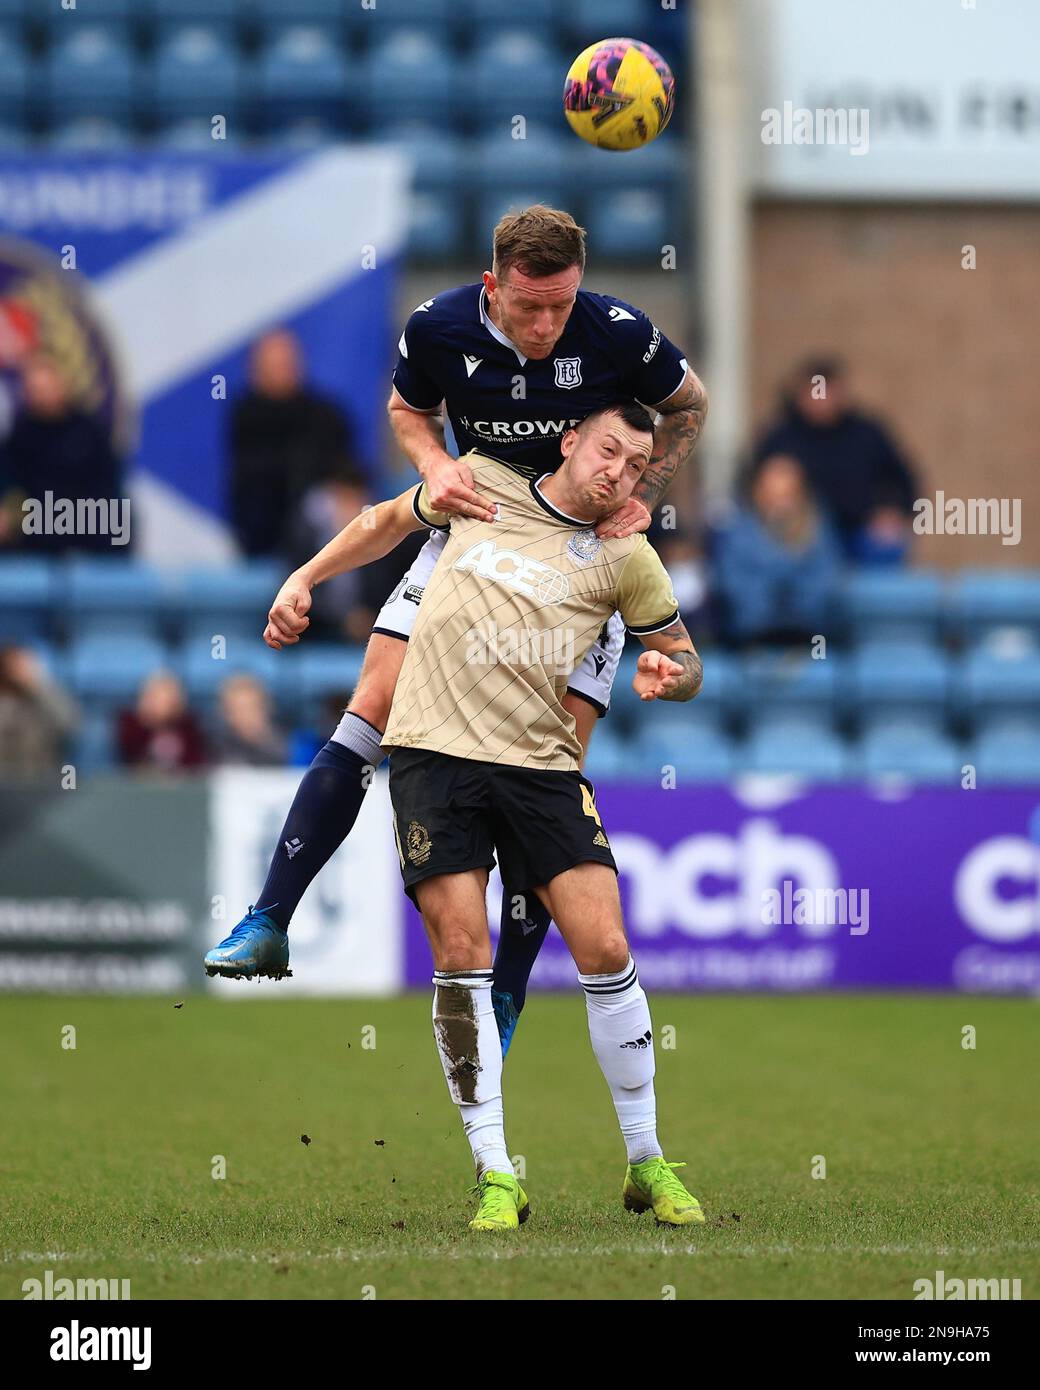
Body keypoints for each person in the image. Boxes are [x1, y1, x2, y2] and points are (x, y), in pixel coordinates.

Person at [204, 206, 708, 1062]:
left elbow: (689, 406)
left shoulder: (620, 332)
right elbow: (407, 413)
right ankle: (271, 917)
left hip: (581, 564)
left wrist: (645, 488)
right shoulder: (437, 329)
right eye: (528, 308)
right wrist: (435, 464)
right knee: (370, 706)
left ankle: (508, 987)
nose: (547, 326)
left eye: (561, 306)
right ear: (493, 285)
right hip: (473, 533)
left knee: (548, 771)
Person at [215, 402, 707, 1230]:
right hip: (435, 760)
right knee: (458, 951)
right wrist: (303, 577)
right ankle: (494, 1174)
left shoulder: (628, 554)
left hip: (543, 770)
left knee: (609, 947)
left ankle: (648, 1160)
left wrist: (674, 672)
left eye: (634, 466)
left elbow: (689, 657)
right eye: (609, 452)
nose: (618, 473)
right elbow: (380, 522)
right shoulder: (476, 484)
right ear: (569, 437)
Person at [753, 357, 917, 561]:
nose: (822, 400)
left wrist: (892, 510)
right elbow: (750, 489)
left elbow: (904, 482)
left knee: (886, 546)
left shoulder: (868, 434)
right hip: (798, 534)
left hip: (861, 531)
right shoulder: (779, 439)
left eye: (828, 391)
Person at [229, 328, 358, 558]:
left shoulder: (326, 415)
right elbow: (254, 486)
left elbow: (348, 473)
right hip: (266, 531)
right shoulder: (247, 418)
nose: (280, 372)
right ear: (255, 372)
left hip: (326, 526)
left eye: (286, 364)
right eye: (272, 366)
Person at [713, 452, 843, 647]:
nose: (780, 504)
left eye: (787, 495)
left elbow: (828, 582)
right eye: (772, 495)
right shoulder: (738, 533)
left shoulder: (818, 530)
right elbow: (732, 587)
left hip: (810, 638)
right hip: (751, 640)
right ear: (757, 493)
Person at [0, 354, 123, 555]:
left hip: (86, 537)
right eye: (34, 389)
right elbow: (11, 489)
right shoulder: (19, 438)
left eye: (45, 387)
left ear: (62, 384)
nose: (40, 395)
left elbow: (107, 494)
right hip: (34, 544)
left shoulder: (90, 435)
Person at [0, 644, 79, 777]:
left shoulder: (45, 696)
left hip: (41, 781)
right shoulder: (5, 700)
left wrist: (38, 685)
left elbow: (71, 725)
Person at [117, 671, 208, 773]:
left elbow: (196, 766)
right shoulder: (130, 728)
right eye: (153, 696)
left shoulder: (190, 730)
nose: (157, 703)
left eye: (165, 697)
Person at [213, 673, 288, 767]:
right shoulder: (215, 753)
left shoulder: (290, 748)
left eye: (252, 707)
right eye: (239, 709)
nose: (247, 716)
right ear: (226, 714)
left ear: (267, 708)